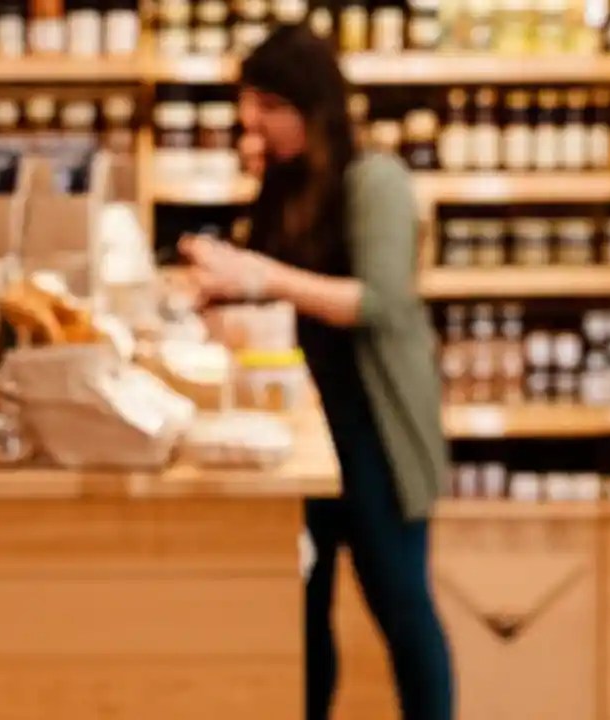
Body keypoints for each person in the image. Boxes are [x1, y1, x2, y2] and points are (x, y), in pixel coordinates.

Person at [179, 25, 455, 720]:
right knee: (302, 611)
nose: (255, 123)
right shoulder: (281, 184)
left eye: (270, 106)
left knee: (401, 606)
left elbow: (381, 299)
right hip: (299, 431)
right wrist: (218, 293)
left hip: (372, 432)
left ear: (314, 105)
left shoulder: (375, 180)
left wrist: (261, 274)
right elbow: (273, 298)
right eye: (249, 106)